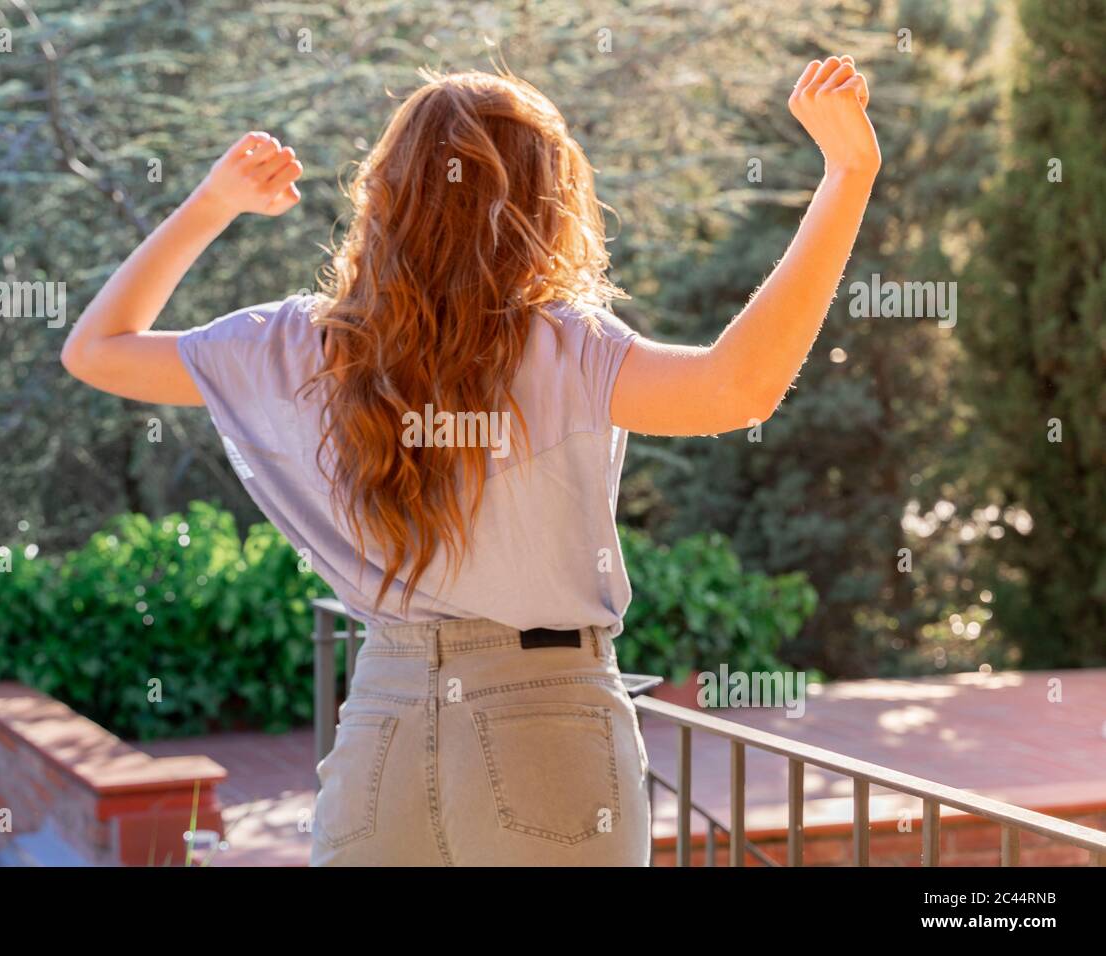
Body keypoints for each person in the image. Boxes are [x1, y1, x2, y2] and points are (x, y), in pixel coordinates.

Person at [61, 57, 879, 866]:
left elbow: (97, 351)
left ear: (381, 195)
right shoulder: (563, 347)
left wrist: (215, 203)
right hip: (549, 729)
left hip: (380, 733)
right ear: (545, 204)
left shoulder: (291, 344)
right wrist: (847, 173)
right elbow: (735, 389)